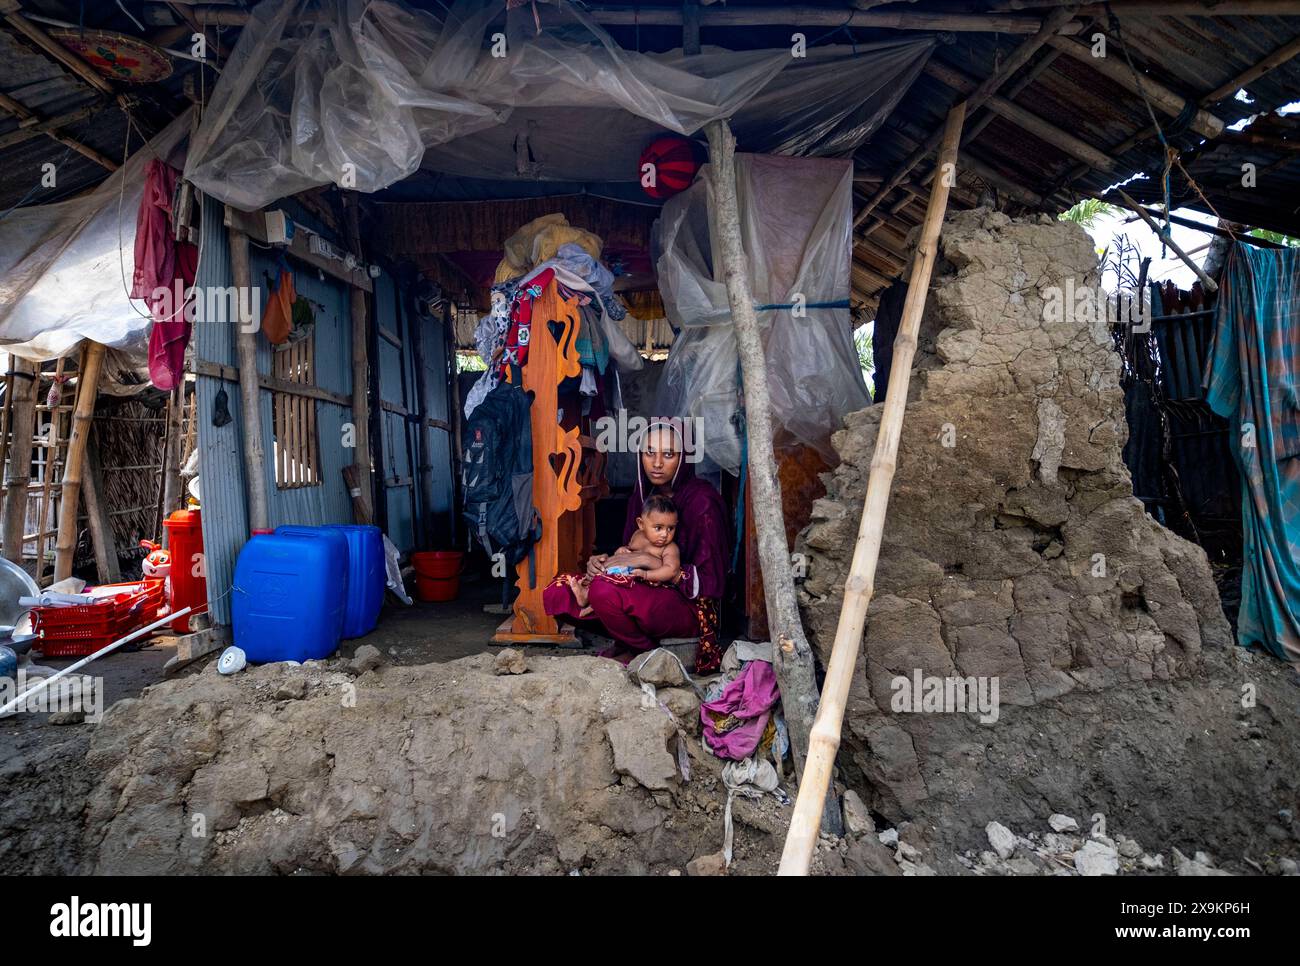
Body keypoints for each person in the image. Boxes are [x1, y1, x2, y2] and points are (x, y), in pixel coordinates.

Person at [544, 419, 728, 672]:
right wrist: (601, 564)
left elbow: (712, 583)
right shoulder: (643, 497)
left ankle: (646, 653)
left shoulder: (702, 502)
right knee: (558, 590)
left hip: (688, 607)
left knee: (603, 593)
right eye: (649, 452)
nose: (657, 463)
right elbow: (629, 554)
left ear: (684, 458)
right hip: (643, 591)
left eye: (669, 454)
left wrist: (656, 565)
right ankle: (631, 642)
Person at [568, 495, 681, 615]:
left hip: (647, 584)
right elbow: (629, 551)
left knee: (612, 584)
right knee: (604, 572)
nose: (665, 534)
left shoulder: (670, 548)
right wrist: (622, 550)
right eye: (658, 528)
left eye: (670, 528)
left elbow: (671, 570)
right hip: (628, 573)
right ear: (641, 524)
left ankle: (592, 604)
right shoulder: (638, 536)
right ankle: (586, 595)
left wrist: (647, 575)